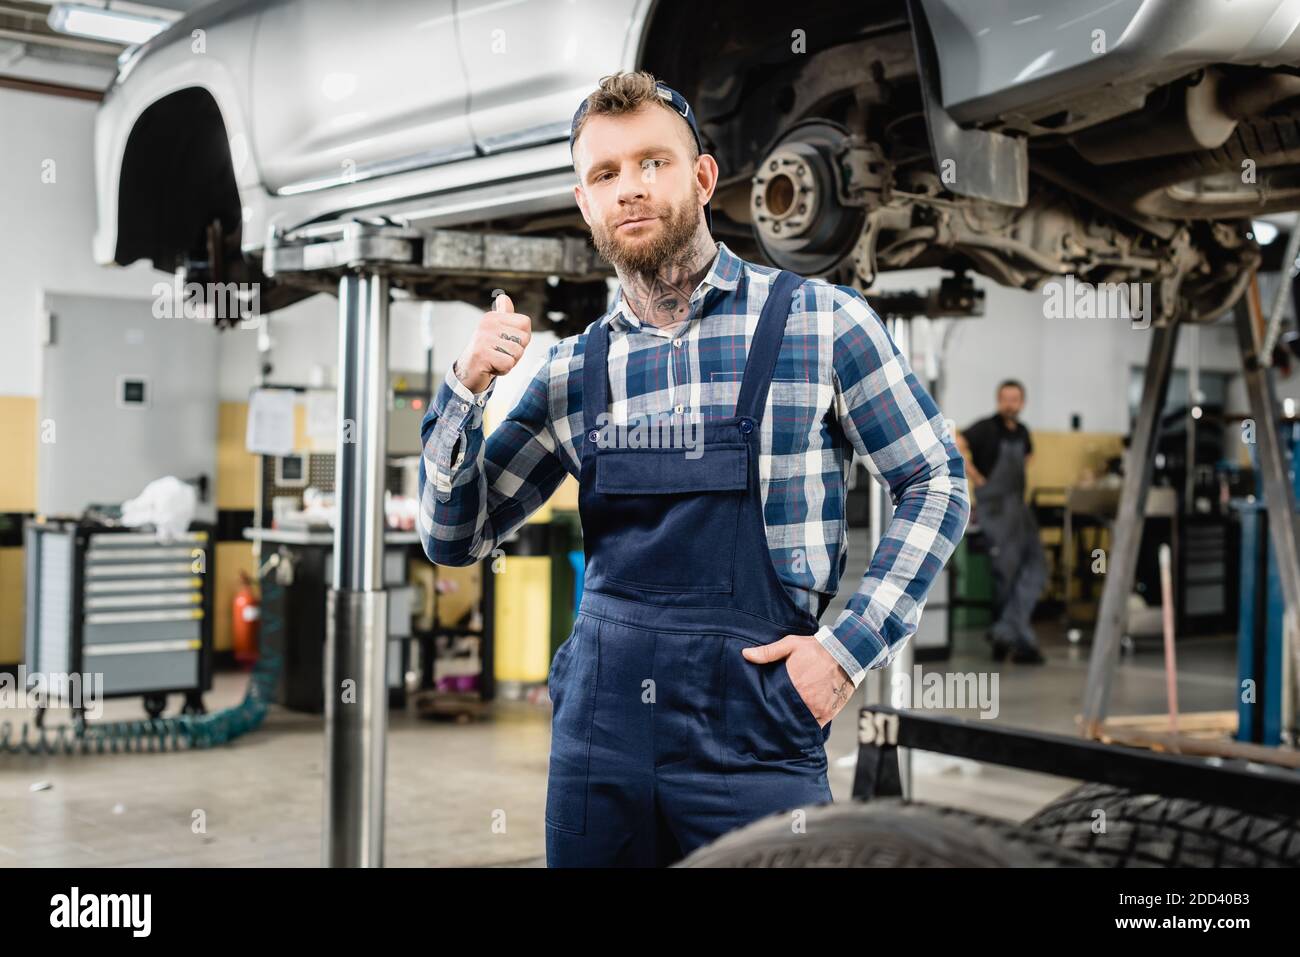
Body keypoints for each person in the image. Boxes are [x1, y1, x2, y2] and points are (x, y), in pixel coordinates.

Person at [418, 70, 969, 867]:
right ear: (585, 204)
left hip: (756, 731)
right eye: (604, 174)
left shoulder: (821, 324)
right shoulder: (572, 370)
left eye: (653, 162)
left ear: (703, 177)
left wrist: (846, 651)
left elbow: (936, 479)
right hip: (599, 743)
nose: (629, 188)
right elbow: (453, 538)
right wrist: (463, 392)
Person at [956, 380, 1048, 664]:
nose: (1010, 403)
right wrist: (977, 477)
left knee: (1037, 566)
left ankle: (1006, 632)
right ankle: (1010, 638)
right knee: (1006, 575)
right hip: (995, 509)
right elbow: (956, 441)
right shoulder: (986, 427)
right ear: (999, 400)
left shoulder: (1022, 432)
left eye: (1015, 399)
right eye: (1006, 398)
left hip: (1018, 507)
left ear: (1022, 402)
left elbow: (1028, 456)